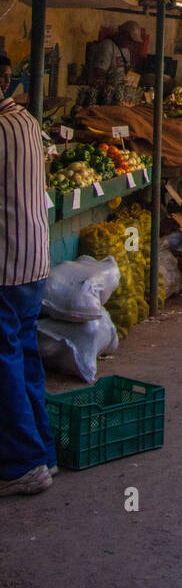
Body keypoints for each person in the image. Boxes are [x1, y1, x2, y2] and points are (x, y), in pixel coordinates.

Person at [0, 53, 57, 496]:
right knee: (25, 356)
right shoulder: (24, 120)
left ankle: (21, 463)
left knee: (6, 364)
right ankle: (43, 454)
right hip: (33, 262)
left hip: (5, 266)